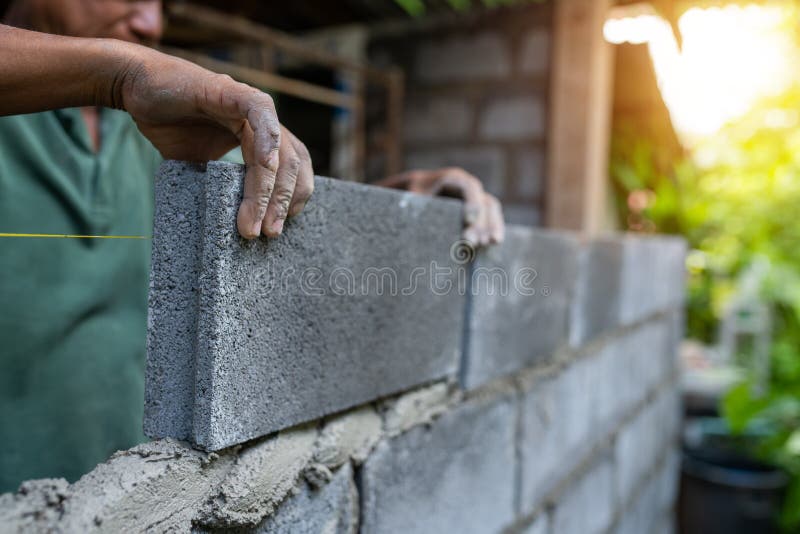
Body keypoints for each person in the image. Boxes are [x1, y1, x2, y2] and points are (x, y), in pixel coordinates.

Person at [0, 0, 504, 492]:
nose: (150, 21)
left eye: (162, 3)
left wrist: (409, 208)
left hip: (125, 495)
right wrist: (122, 73)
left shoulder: (151, 136)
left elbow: (266, 216)